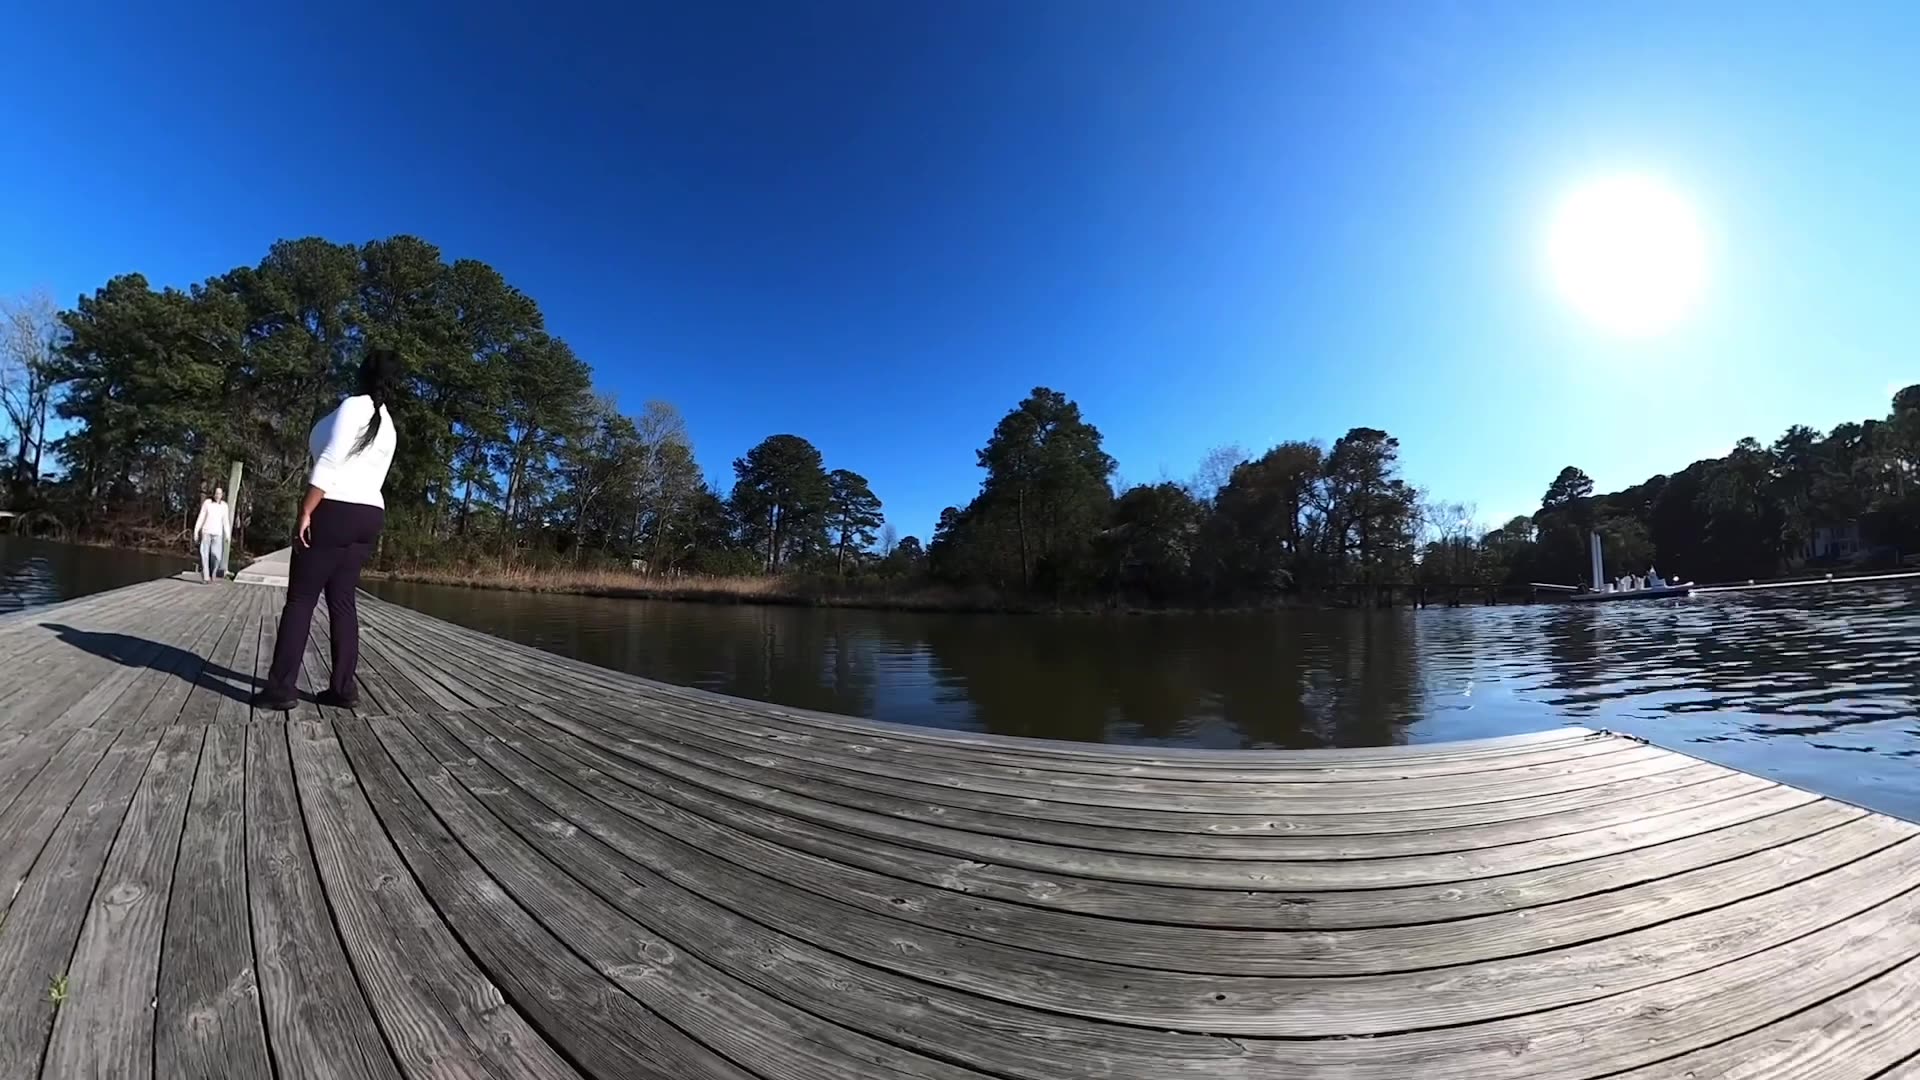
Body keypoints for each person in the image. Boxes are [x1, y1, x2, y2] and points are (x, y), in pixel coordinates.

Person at [255, 348, 400, 712]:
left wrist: (306, 509)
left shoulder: (353, 407)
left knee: (301, 599)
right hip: (370, 514)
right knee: (343, 601)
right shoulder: (388, 424)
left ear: (361, 374)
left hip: (334, 509)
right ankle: (343, 689)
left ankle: (281, 689)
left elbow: (331, 460)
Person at [193, 487, 231, 583]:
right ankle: (206, 577)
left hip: (218, 533)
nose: (218, 495)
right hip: (206, 532)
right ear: (214, 494)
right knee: (204, 554)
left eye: (220, 493)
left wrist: (228, 534)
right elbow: (201, 517)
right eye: (216, 493)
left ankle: (213, 572)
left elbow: (226, 521)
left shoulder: (224, 506)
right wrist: (196, 531)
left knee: (217, 555)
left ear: (222, 495)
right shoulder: (207, 503)